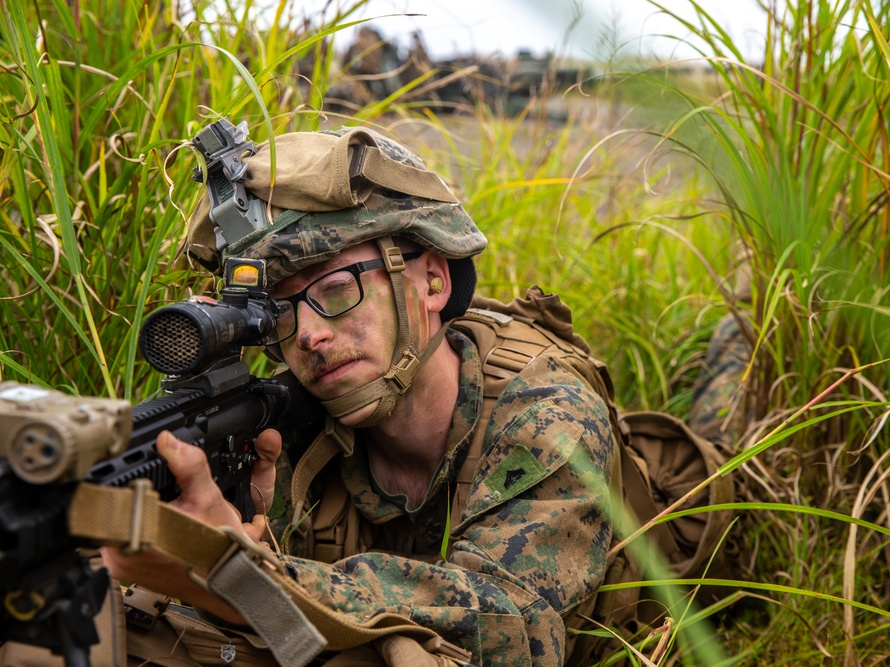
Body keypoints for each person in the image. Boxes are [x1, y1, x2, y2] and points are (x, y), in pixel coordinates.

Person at [101, 123, 624, 667]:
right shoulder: (282, 431)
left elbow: (514, 628)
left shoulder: (548, 412)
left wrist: (234, 571)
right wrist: (233, 522)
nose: (307, 334)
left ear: (433, 282)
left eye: (335, 289)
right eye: (278, 310)